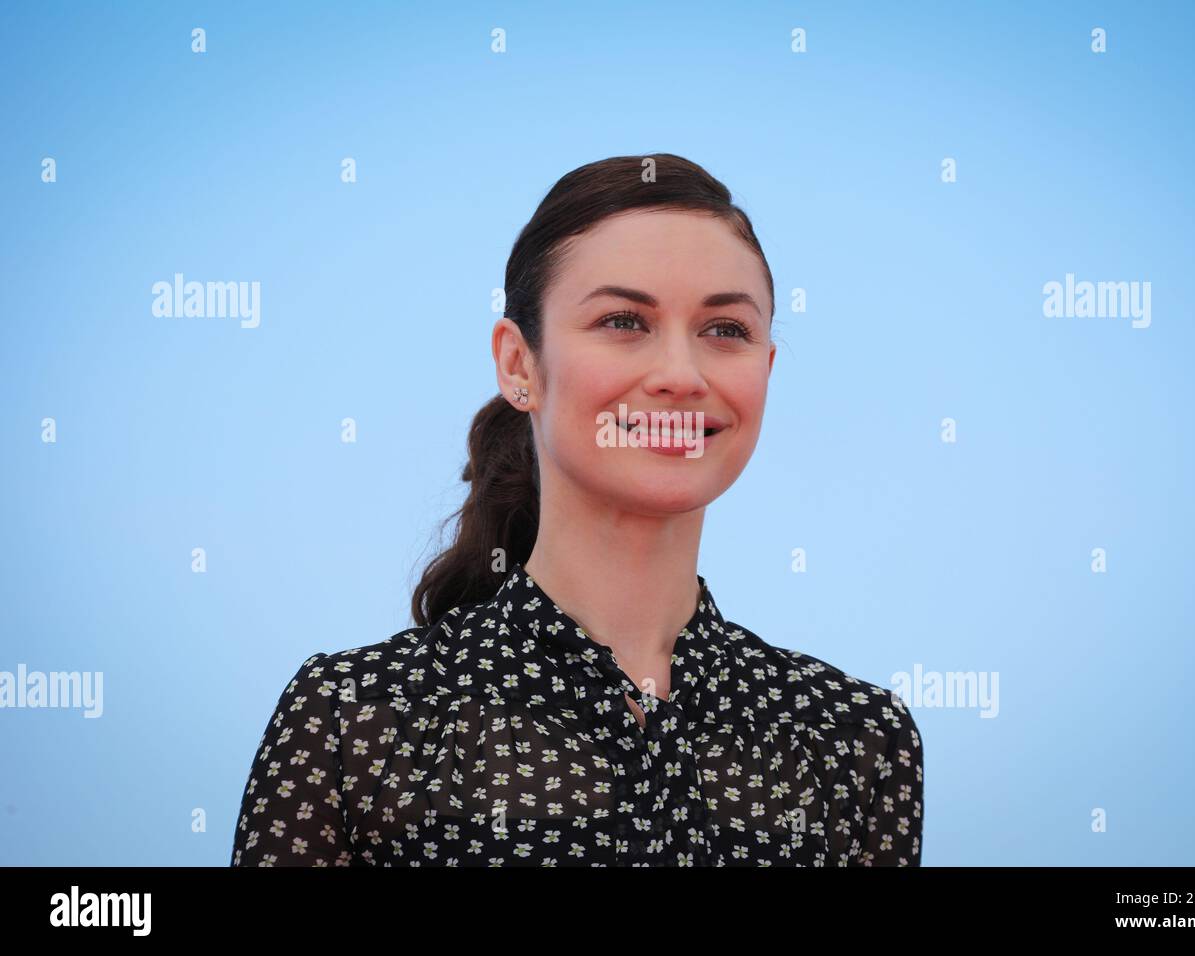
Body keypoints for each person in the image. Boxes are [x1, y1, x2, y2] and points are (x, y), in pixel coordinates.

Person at [230, 153, 923, 867]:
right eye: (624, 320)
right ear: (519, 366)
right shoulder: (356, 717)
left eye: (725, 330)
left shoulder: (853, 736)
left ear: (767, 371)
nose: (682, 377)